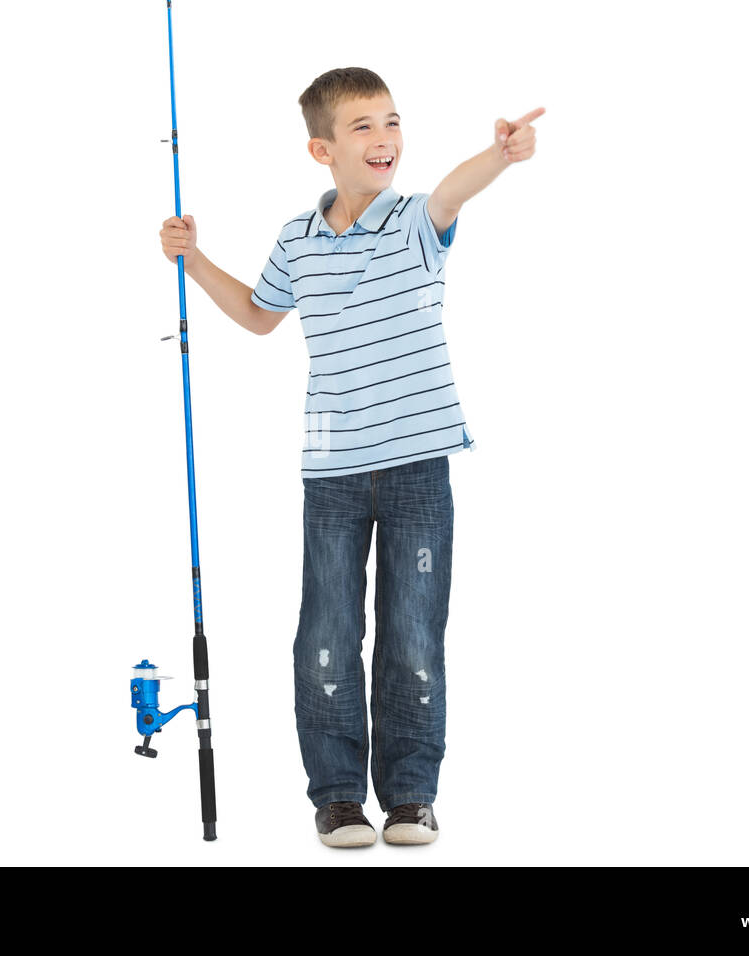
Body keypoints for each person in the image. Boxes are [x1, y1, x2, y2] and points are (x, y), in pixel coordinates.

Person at [159, 66, 543, 848]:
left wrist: (499, 156)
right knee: (327, 632)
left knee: (411, 632)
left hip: (418, 471)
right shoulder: (298, 239)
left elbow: (453, 191)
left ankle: (410, 796)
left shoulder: (413, 222)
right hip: (331, 475)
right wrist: (193, 260)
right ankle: (337, 797)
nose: (385, 139)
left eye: (392, 122)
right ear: (320, 148)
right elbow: (261, 316)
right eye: (363, 126)